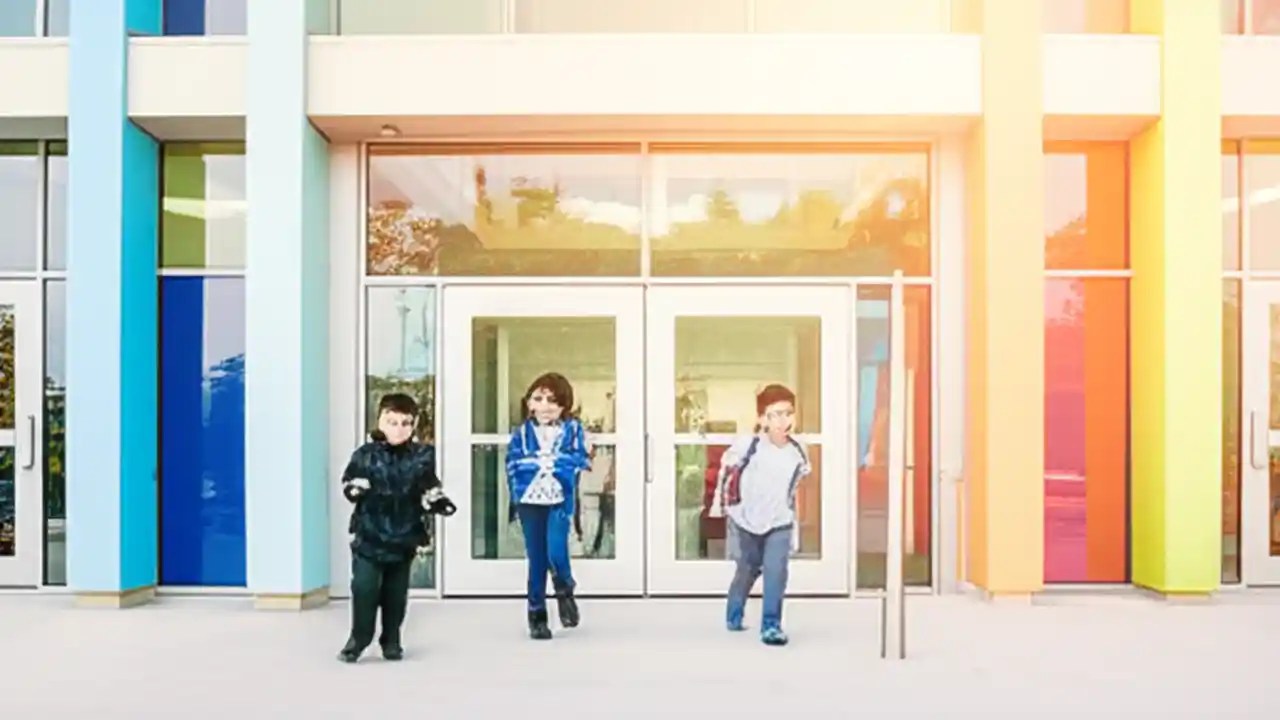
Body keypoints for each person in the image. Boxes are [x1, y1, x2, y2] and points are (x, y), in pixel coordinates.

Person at [338, 393, 456, 663]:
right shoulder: (365, 455)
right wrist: (354, 489)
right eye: (392, 422)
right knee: (364, 589)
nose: (398, 428)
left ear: (413, 425)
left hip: (404, 537)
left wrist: (438, 502)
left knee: (395, 595)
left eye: (405, 423)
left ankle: (391, 639)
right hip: (370, 535)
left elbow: (428, 485)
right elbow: (351, 480)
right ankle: (358, 640)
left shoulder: (422, 456)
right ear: (380, 421)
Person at [709, 384, 810, 647]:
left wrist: (794, 524)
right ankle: (734, 610)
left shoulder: (798, 452)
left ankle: (771, 625)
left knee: (776, 570)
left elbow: (793, 489)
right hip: (746, 520)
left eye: (788, 413)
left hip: (779, 521)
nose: (782, 421)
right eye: (774, 414)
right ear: (761, 419)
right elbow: (726, 476)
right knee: (747, 569)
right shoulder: (748, 446)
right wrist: (721, 509)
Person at [506, 372, 592, 640]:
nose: (545, 406)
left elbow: (580, 459)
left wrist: (554, 463)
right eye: (538, 399)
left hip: (558, 495)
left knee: (557, 548)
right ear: (529, 402)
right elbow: (513, 464)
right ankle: (537, 613)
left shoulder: (573, 429)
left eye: (552, 401)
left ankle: (565, 588)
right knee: (537, 557)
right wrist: (538, 464)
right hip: (530, 498)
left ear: (564, 405)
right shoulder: (521, 434)